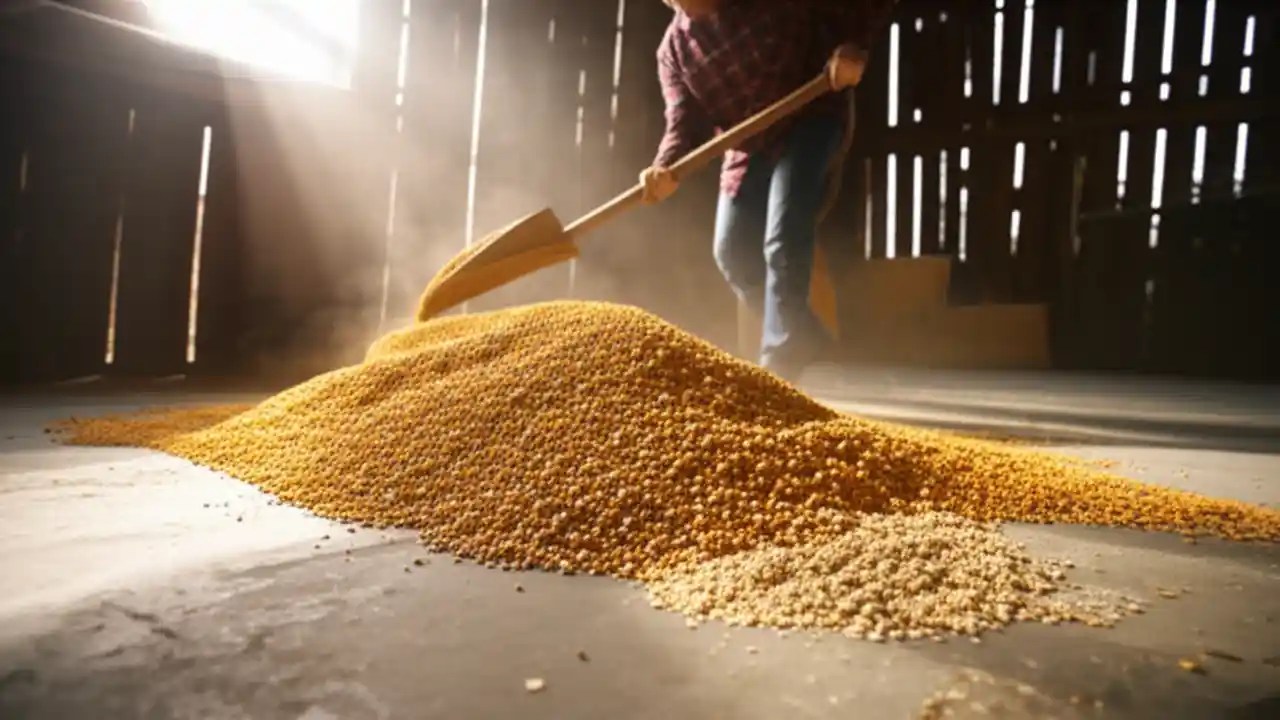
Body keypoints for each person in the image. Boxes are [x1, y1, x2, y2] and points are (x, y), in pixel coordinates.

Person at [640, 0, 895, 382]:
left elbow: (852, 11)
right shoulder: (674, 51)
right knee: (732, 251)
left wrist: (851, 48)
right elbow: (683, 123)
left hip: (810, 116)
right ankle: (803, 333)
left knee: (784, 233)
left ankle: (782, 357)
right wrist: (664, 167)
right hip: (748, 144)